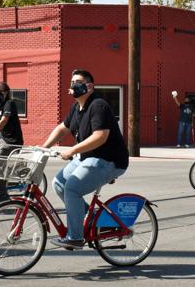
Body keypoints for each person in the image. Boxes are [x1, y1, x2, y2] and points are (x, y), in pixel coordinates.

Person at [41, 69, 129, 250]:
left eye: (78, 82)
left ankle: (75, 237)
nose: (73, 85)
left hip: (108, 160)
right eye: (72, 82)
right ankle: (95, 221)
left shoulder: (98, 105)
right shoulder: (76, 107)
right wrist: (43, 148)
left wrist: (72, 150)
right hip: (87, 158)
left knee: (72, 189)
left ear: (89, 86)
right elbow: (62, 129)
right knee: (58, 183)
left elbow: (100, 136)